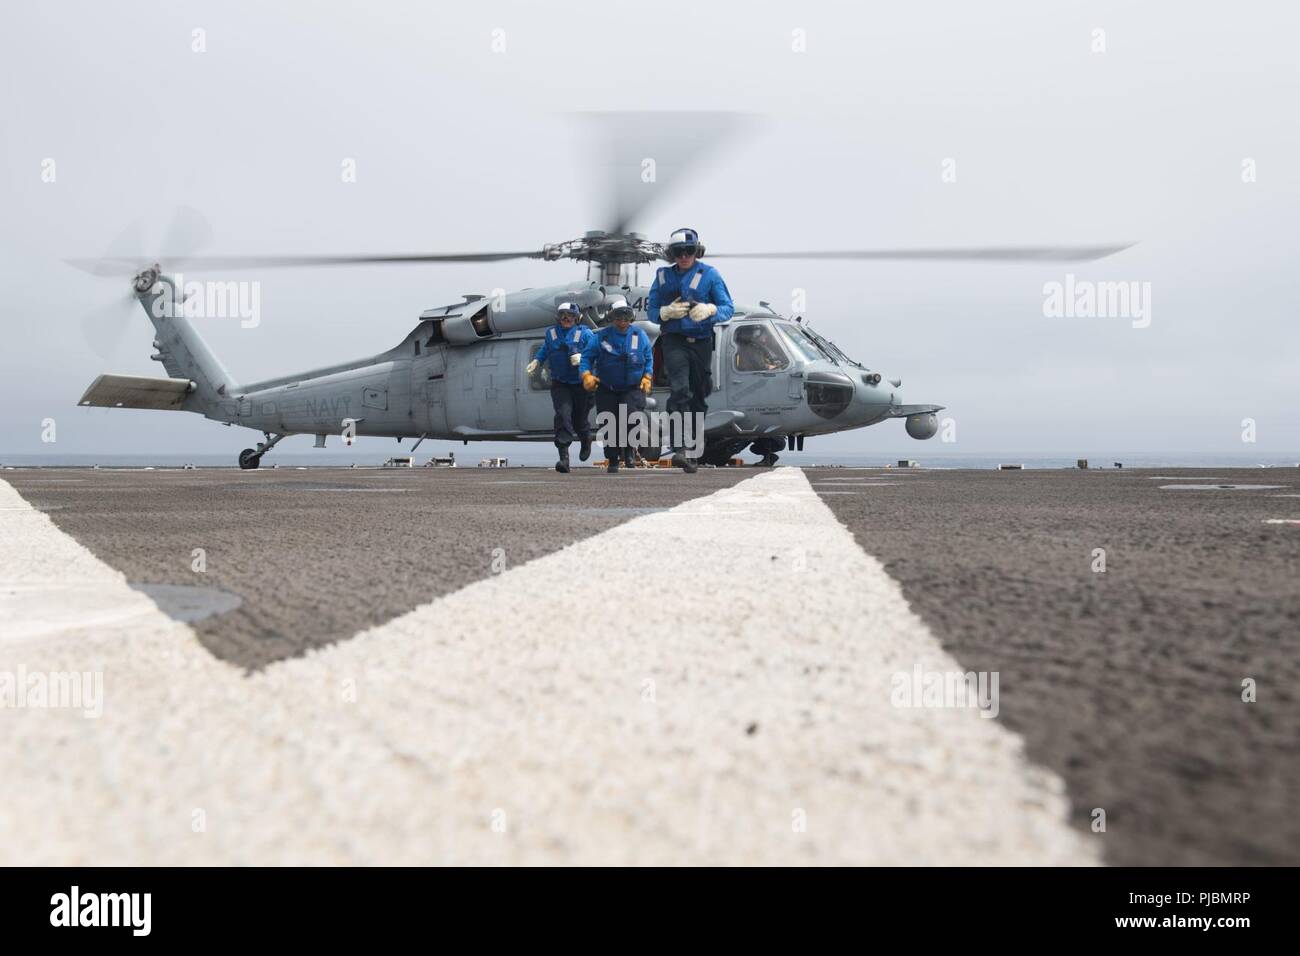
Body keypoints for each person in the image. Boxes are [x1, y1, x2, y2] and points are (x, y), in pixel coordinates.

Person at [647, 227, 734, 473]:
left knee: (699, 395)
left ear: (697, 252)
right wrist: (663, 313)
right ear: (672, 254)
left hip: (702, 341)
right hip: (674, 341)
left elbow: (727, 306)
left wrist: (711, 310)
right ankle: (679, 448)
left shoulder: (710, 275)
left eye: (689, 251)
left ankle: (693, 447)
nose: (684, 256)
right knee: (679, 390)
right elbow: (652, 310)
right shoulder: (663, 277)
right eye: (678, 252)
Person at [580, 297, 653, 474]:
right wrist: (586, 374)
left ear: (631, 318)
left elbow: (649, 358)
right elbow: (587, 357)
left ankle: (629, 451)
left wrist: (647, 377)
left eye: (626, 317)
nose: (622, 321)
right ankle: (613, 458)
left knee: (632, 419)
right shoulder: (601, 336)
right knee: (609, 424)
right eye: (618, 317)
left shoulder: (639, 335)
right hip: (607, 388)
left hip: (632, 388)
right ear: (612, 318)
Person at [526, 301, 594, 473]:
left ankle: (586, 439)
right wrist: (537, 361)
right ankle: (564, 458)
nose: (566, 318)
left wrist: (583, 358)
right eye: (563, 315)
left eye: (570, 315)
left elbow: (596, 352)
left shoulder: (585, 334)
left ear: (577, 318)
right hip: (560, 383)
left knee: (579, 420)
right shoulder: (551, 333)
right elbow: (545, 349)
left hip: (581, 384)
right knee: (563, 416)